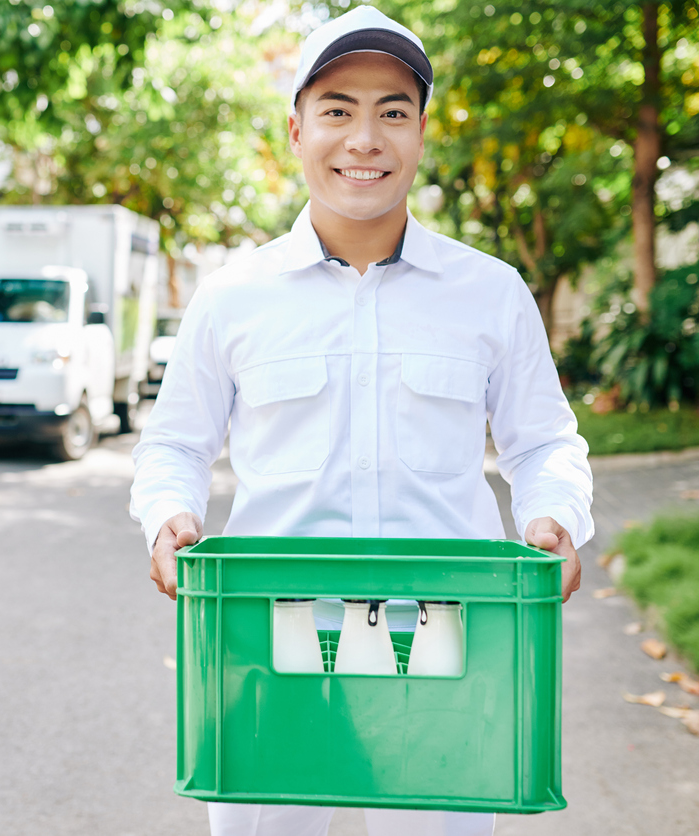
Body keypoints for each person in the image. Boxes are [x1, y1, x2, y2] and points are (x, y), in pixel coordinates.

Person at [129, 5, 593, 836]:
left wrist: (553, 517)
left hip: (446, 643)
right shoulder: (234, 297)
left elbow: (545, 441)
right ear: (296, 128)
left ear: (420, 132)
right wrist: (170, 517)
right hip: (270, 641)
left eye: (392, 112)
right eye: (338, 109)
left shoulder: (489, 292)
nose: (364, 138)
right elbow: (175, 443)